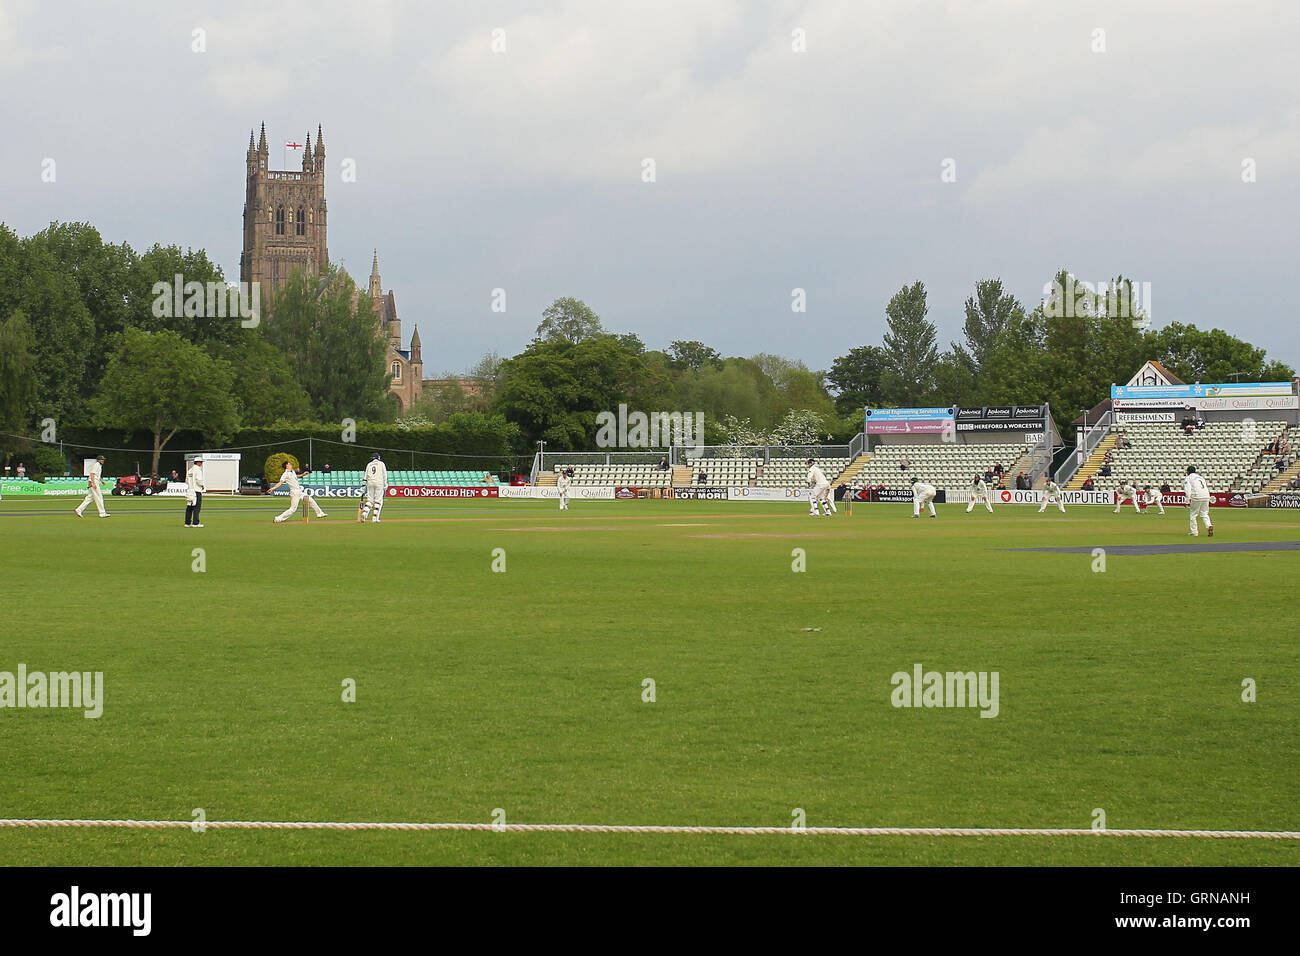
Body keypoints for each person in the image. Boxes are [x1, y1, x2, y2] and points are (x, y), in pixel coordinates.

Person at [1185, 465, 1213, 537]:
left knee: (1193, 514)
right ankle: (1209, 525)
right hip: (1206, 495)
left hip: (1197, 496)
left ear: (1188, 471)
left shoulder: (1188, 478)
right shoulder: (1201, 477)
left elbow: (1187, 490)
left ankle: (1194, 532)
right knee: (1204, 513)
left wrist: (1187, 501)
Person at [360, 451, 388, 523]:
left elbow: (365, 476)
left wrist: (363, 486)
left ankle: (364, 513)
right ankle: (375, 518)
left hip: (370, 483)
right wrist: (385, 484)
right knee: (378, 501)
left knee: (370, 500)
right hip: (379, 482)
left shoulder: (369, 464)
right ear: (378, 457)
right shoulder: (381, 464)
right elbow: (384, 475)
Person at [184, 455, 206, 527]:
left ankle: (187, 522)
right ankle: (195, 523)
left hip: (190, 491)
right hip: (196, 491)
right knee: (197, 507)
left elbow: (186, 481)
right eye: (201, 462)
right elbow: (199, 480)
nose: (202, 464)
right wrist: (202, 485)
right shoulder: (198, 470)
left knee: (189, 507)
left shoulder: (189, 470)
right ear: (198, 463)